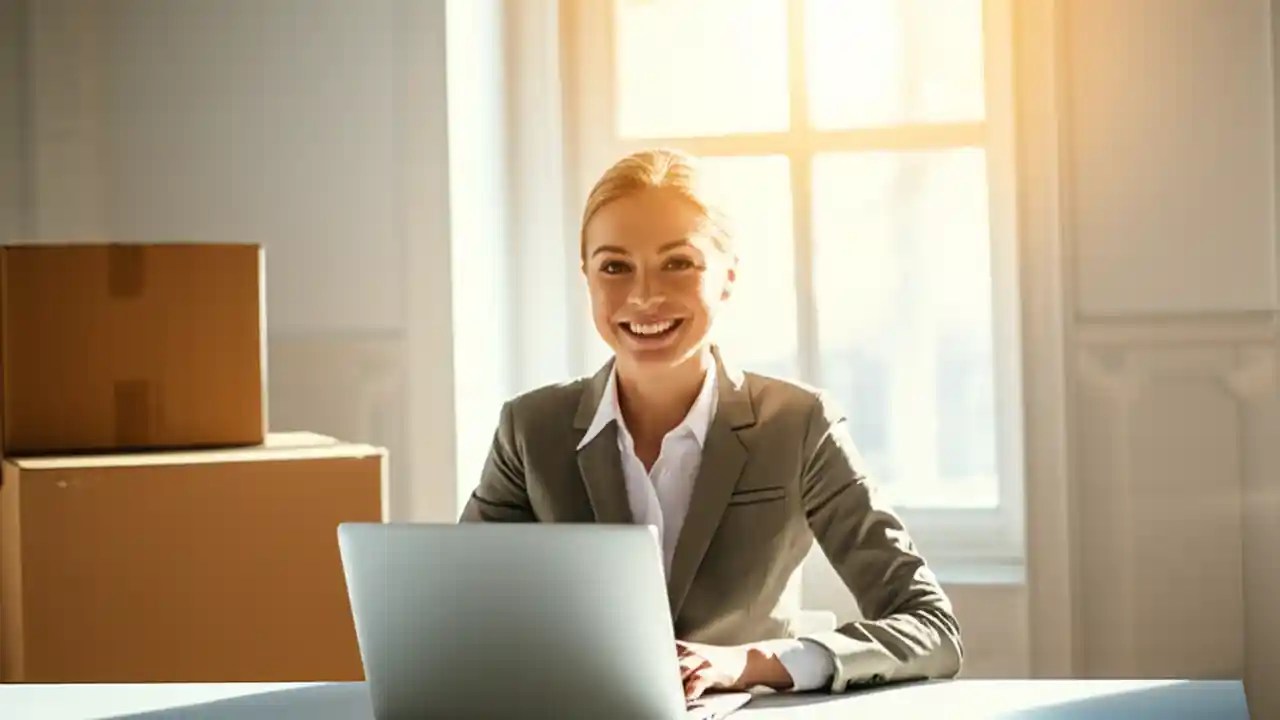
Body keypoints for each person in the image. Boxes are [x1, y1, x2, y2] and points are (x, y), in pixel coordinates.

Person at [460, 148, 962, 698]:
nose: (645, 295)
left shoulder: (798, 426)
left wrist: (750, 663)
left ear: (727, 277)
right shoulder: (530, 429)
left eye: (678, 263)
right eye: (614, 266)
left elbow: (930, 628)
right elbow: (456, 620)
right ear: (587, 278)